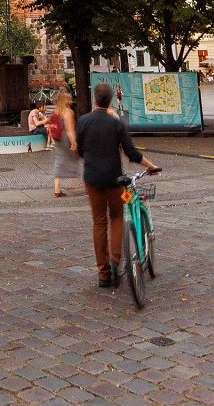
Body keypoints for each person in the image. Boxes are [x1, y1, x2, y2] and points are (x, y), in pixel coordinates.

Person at [74, 83, 159, 288]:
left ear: (95, 99)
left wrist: (92, 159)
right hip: (114, 180)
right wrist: (151, 166)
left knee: (99, 222)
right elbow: (132, 153)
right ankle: (115, 261)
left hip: (92, 179)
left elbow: (79, 150)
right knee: (117, 217)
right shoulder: (116, 123)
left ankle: (103, 273)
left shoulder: (83, 121)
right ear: (111, 100)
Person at [49, 88, 81, 198]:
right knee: (74, 158)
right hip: (65, 139)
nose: (71, 101)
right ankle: (79, 181)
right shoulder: (68, 112)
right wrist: (74, 142)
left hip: (58, 139)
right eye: (69, 99)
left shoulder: (57, 111)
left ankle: (57, 188)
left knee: (59, 160)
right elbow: (70, 130)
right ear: (65, 100)